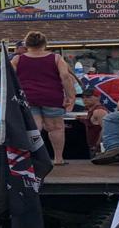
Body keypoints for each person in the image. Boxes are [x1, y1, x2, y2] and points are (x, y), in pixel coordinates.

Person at [10, 31, 77, 165]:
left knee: (34, 128)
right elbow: (65, 77)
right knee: (56, 128)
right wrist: (70, 96)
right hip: (52, 97)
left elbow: (9, 79)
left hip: (27, 97)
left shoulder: (17, 59)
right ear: (45, 44)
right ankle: (58, 158)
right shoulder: (56, 58)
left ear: (26, 44)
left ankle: (32, 159)